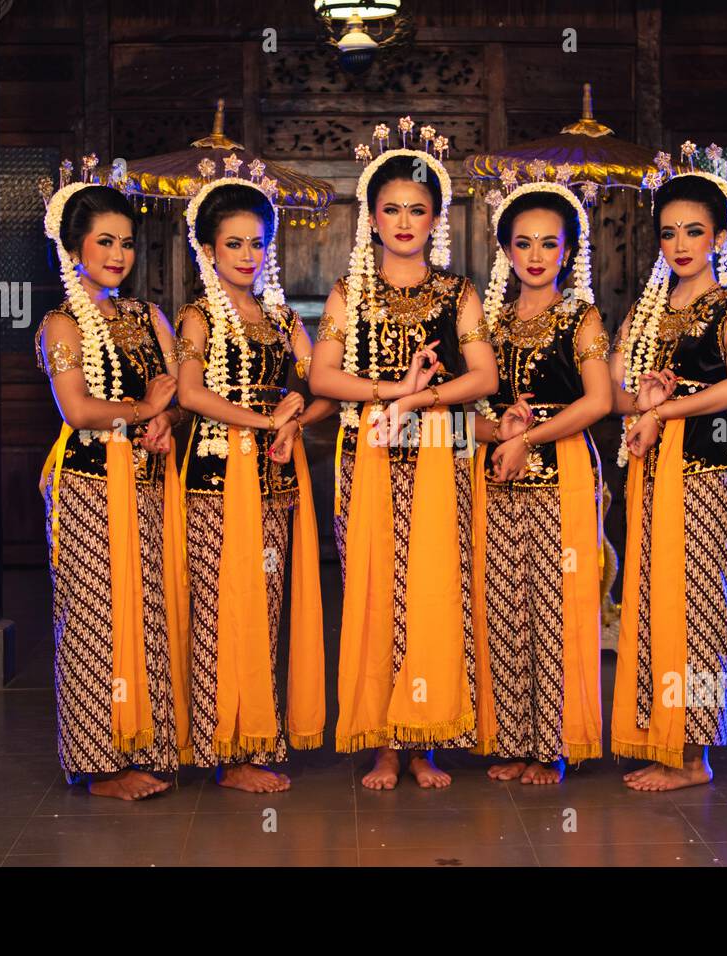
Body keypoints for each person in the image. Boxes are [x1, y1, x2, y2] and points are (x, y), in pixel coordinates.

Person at [309, 118, 498, 790]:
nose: (404, 221)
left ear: (437, 216)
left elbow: (486, 377)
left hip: (440, 454)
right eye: (391, 209)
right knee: (373, 589)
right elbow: (321, 378)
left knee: (435, 589)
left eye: (417, 210)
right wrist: (391, 390)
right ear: (372, 216)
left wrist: (421, 401)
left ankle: (428, 740)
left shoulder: (459, 294)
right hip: (370, 454)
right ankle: (383, 741)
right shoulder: (348, 293)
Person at [173, 159, 335, 793]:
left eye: (257, 243)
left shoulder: (282, 318)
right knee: (219, 605)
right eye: (233, 244)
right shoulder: (198, 318)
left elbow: (323, 385)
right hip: (215, 477)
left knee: (265, 604)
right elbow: (190, 393)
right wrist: (265, 422)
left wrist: (298, 413)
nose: (246, 255)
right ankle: (223, 748)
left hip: (274, 478)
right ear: (208, 250)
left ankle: (253, 736)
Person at [35, 158, 191, 801]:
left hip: (151, 480)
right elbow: (78, 409)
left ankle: (145, 746)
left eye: (127, 242)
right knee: (97, 617)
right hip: (88, 485)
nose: (119, 254)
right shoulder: (62, 324)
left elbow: (178, 395)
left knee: (149, 611)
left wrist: (165, 421)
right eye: (105, 241)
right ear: (73, 249)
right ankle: (97, 766)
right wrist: (144, 411)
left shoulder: (151, 318)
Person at [610, 144, 727, 791]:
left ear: (721, 236)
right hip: (652, 469)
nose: (680, 243)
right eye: (669, 232)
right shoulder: (650, 315)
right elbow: (614, 394)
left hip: (708, 468)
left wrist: (669, 408)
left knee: (699, 608)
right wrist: (641, 398)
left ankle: (695, 756)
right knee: (651, 603)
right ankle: (660, 739)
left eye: (694, 230)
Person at [467, 171, 611, 785]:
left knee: (556, 606)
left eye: (549, 244)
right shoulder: (488, 325)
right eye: (522, 243)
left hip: (563, 474)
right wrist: (498, 432)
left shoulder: (582, 319)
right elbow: (467, 406)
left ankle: (552, 743)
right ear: (504, 251)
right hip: (498, 476)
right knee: (501, 604)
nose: (535, 256)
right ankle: (511, 739)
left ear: (570, 251)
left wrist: (527, 435)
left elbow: (599, 400)